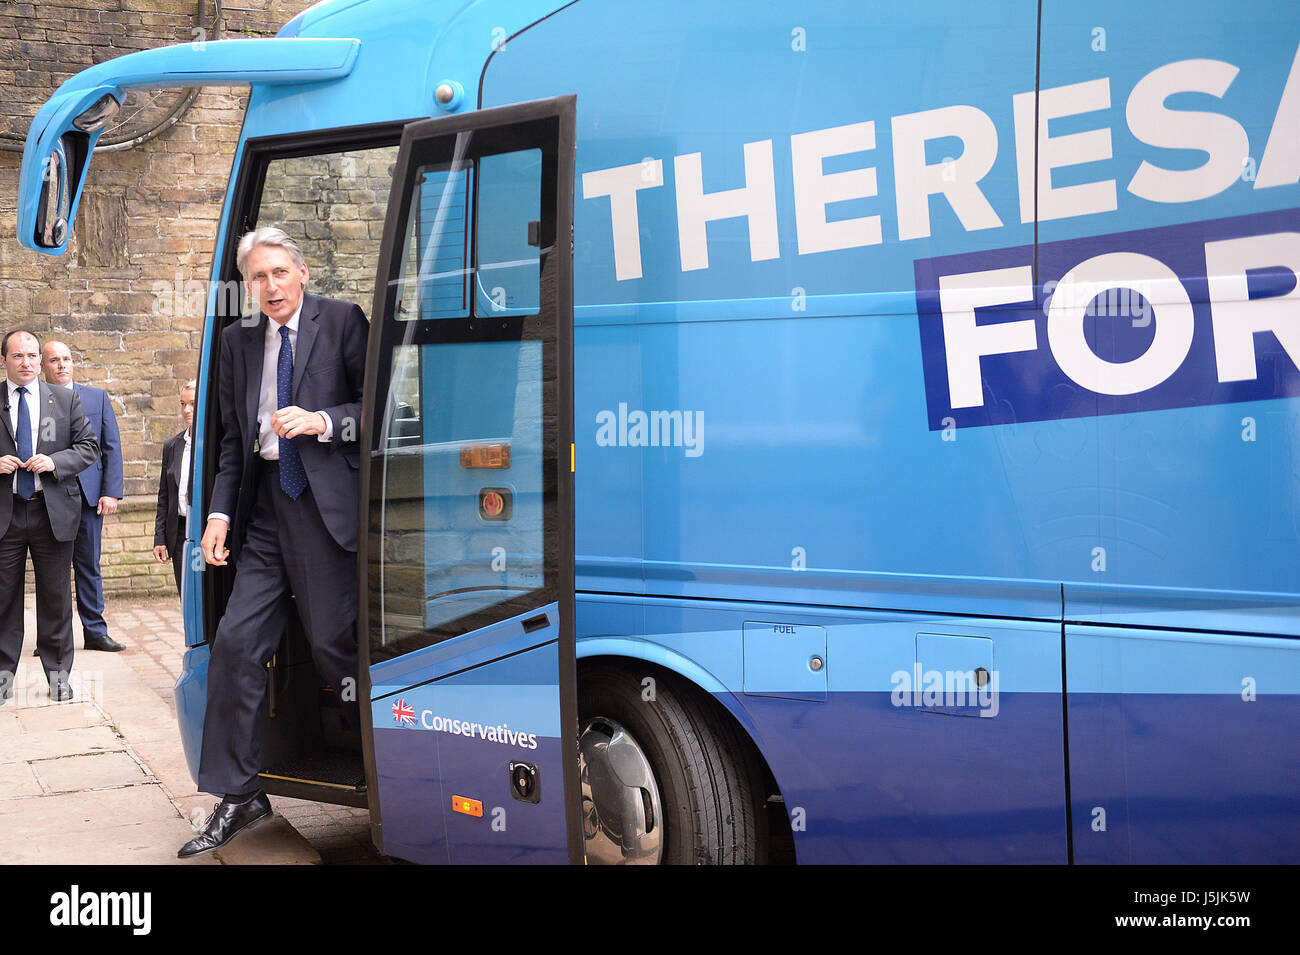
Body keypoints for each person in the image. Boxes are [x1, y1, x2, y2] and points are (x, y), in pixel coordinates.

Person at [179, 227, 366, 858]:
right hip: (264, 513)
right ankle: (238, 796)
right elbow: (234, 442)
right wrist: (218, 517)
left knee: (333, 647)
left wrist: (323, 422)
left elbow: (383, 407)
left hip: (323, 511)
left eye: (280, 272)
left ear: (303, 272)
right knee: (234, 644)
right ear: (247, 285)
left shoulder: (342, 322)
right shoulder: (237, 342)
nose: (271, 286)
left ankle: (392, 765)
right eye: (258, 277)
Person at [0, 330, 99, 704]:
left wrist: (55, 462)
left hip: (52, 512)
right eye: (17, 356)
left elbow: (88, 447)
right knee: (3, 599)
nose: (26, 363)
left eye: (32, 356)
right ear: (4, 360)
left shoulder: (64, 399)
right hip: (5, 514)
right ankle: (2, 679)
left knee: (56, 599)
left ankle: (59, 677)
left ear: (40, 360)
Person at [42, 341, 126, 652]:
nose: (61, 365)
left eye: (66, 359)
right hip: (49, 497)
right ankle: (53, 638)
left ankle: (95, 632)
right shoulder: (35, 401)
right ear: (43, 366)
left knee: (89, 565)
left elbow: (111, 447)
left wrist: (110, 492)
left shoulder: (96, 397)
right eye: (54, 360)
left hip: (89, 498)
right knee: (53, 570)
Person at [153, 380, 196, 596]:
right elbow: (164, 495)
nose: (186, 410)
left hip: (206, 528)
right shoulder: (172, 445)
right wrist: (160, 538)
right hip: (179, 531)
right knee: (186, 593)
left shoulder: (219, 444)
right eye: (182, 404)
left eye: (192, 404)